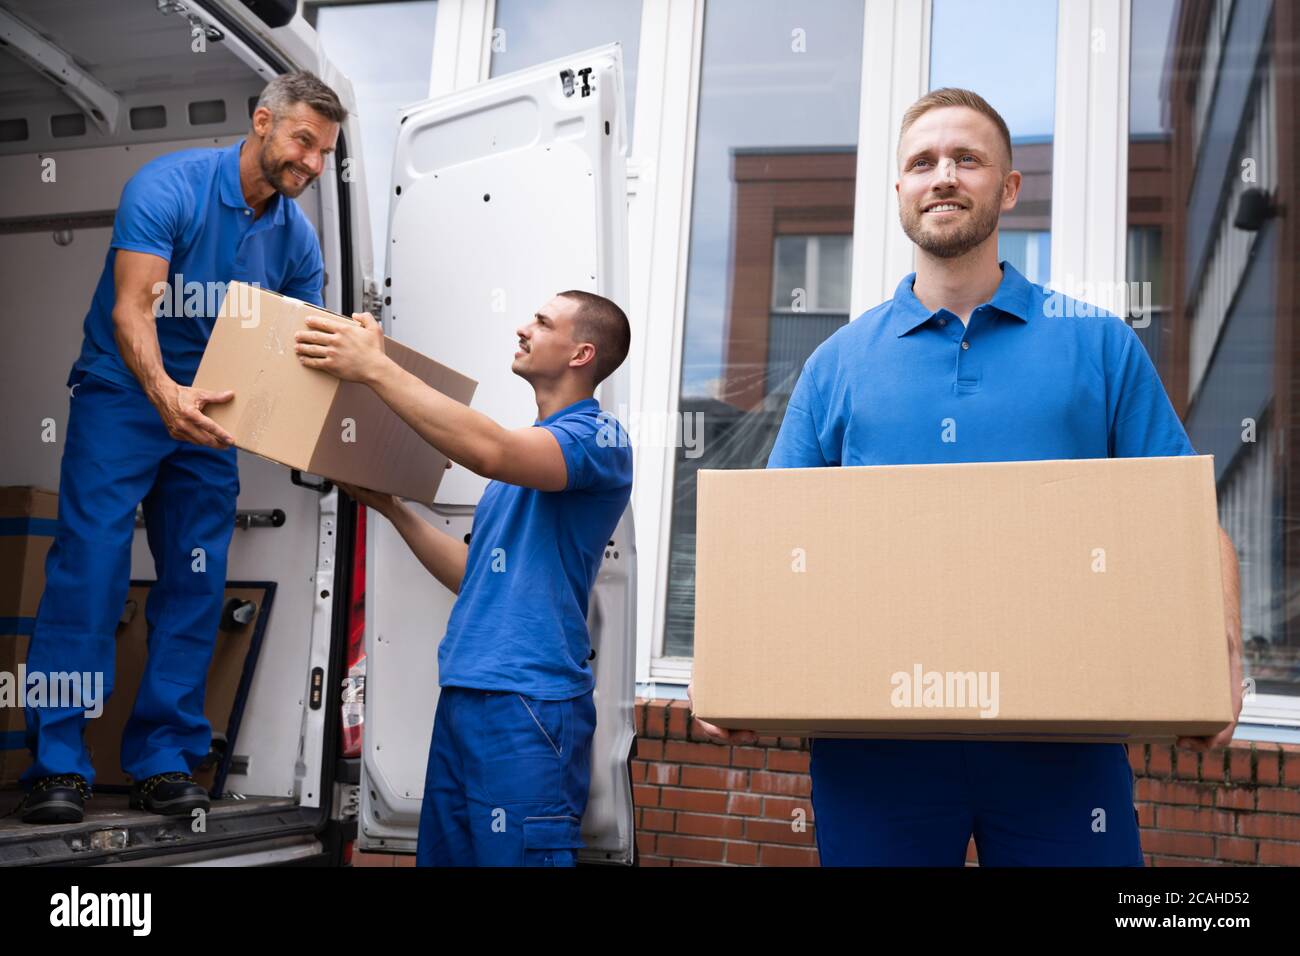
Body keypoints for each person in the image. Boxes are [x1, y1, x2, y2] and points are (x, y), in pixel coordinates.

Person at [690, 87, 1243, 866]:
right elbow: (778, 543)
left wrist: (1220, 643)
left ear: (1009, 187)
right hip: (876, 740)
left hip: (1063, 736)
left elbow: (1188, 519)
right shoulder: (836, 365)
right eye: (922, 162)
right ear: (900, 191)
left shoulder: (1099, 345)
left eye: (967, 159)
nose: (942, 176)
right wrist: (732, 663)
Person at [19, 72, 346, 824]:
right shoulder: (168, 186)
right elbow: (134, 306)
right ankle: (56, 764)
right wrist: (165, 393)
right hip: (125, 396)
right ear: (263, 122)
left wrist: (352, 345)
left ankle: (163, 758)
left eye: (325, 152)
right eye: (303, 141)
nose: (313, 164)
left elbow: (302, 347)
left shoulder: (296, 239)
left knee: (195, 583)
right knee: (90, 569)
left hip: (213, 412)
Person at [294, 290, 632, 866]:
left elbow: (490, 450)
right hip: (467, 696)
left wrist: (374, 366)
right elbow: (475, 576)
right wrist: (392, 506)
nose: (523, 328)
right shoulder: (519, 466)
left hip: (531, 706)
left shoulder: (600, 441)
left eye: (542, 322)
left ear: (581, 354)